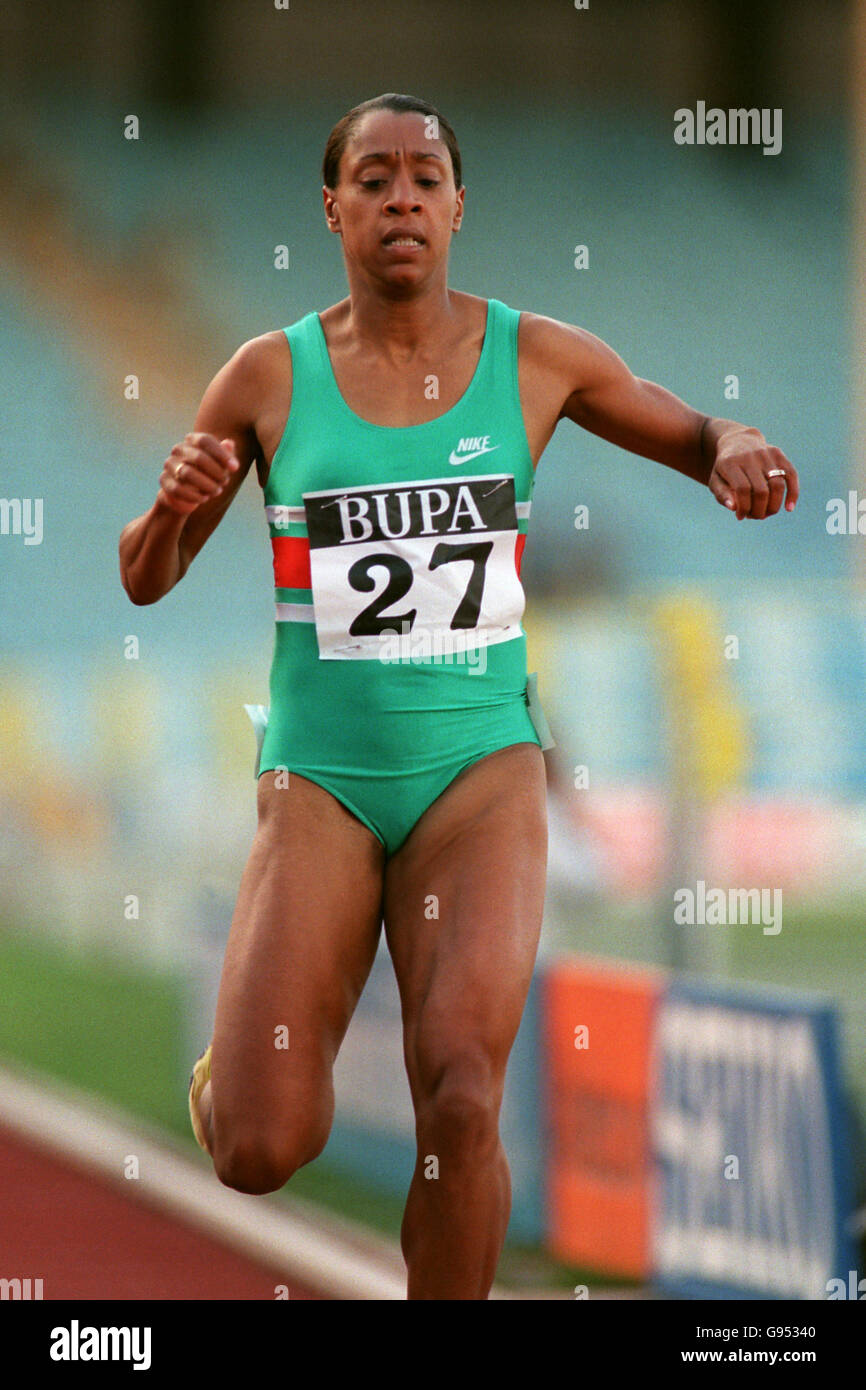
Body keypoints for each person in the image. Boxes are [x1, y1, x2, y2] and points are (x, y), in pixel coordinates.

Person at [117, 92, 798, 1300]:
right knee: (258, 1148)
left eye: (424, 178)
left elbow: (695, 432)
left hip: (479, 772)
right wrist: (173, 507)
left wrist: (735, 442)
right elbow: (145, 577)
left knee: (464, 1089)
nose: (401, 199)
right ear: (330, 208)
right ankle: (234, 1071)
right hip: (320, 776)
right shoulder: (267, 375)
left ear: (458, 206)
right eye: (372, 178)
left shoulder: (534, 357)